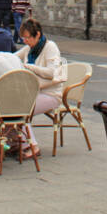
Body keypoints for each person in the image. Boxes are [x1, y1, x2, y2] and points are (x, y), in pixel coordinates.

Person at [16, 17, 63, 159]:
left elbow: (52, 72)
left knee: (20, 109)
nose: (25, 41)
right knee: (8, 106)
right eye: (23, 38)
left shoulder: (50, 47)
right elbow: (13, 58)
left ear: (37, 35)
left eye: (27, 38)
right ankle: (17, 143)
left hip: (50, 94)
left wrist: (29, 67)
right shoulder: (28, 49)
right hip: (32, 93)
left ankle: (32, 147)